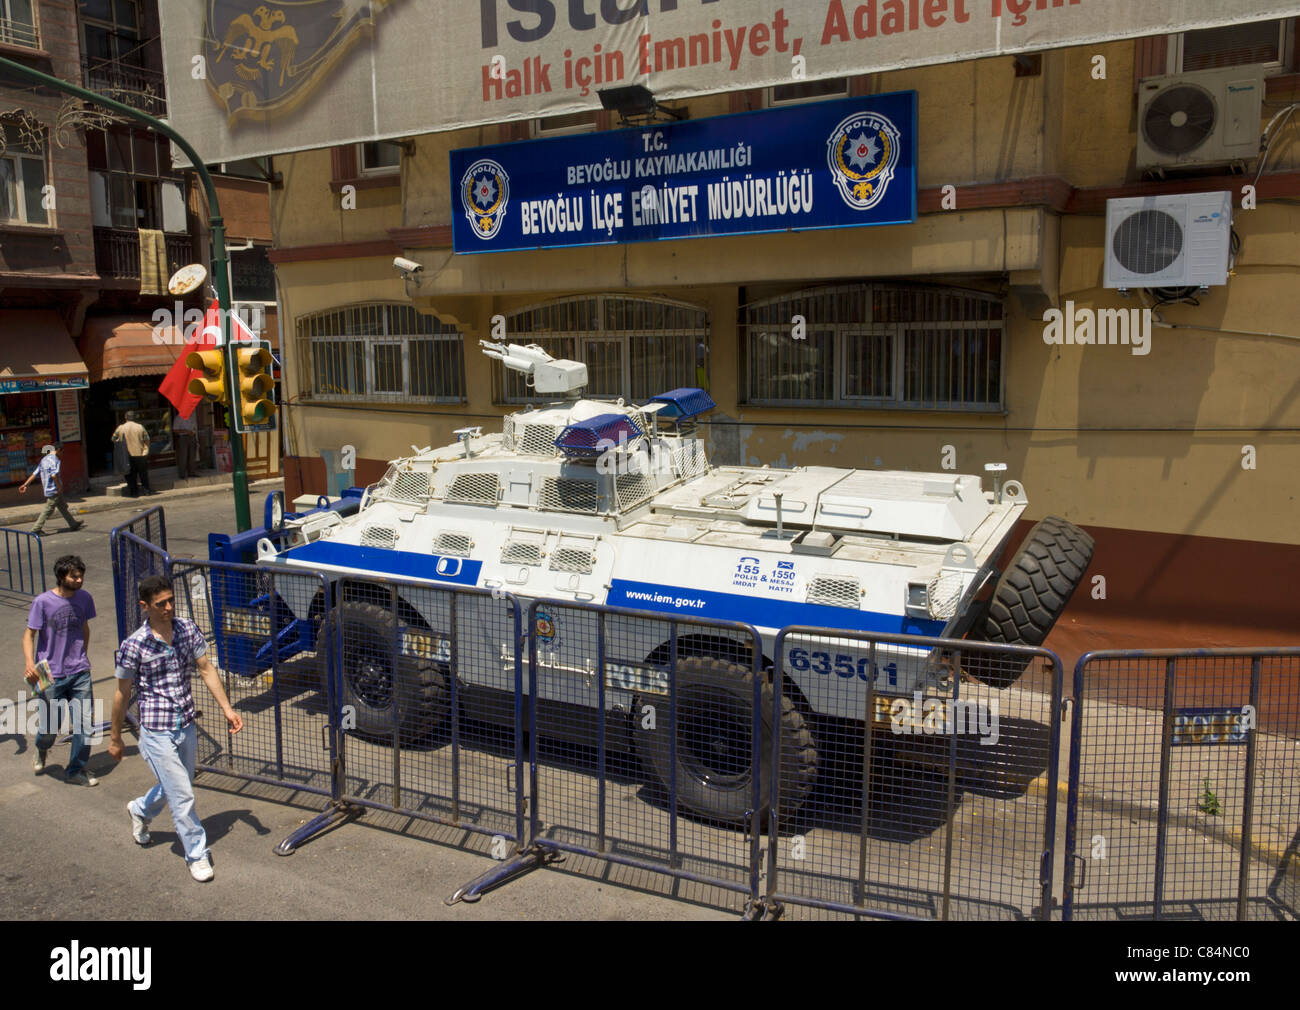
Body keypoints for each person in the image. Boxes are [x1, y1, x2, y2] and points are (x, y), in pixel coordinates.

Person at [110, 574, 243, 882]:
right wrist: (115, 737)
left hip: (185, 723)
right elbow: (122, 693)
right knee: (182, 795)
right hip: (156, 730)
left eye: (171, 601)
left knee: (180, 784)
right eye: (161, 604)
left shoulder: (186, 629)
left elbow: (206, 668)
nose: (169, 608)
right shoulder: (134, 645)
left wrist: (227, 708)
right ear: (145, 606)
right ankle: (196, 854)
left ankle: (141, 810)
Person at [23, 554, 98, 784]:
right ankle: (41, 748)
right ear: (61, 576)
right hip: (49, 674)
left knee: (85, 726)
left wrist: (82, 654)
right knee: (49, 728)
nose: (78, 580)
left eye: (80, 576)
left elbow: (85, 628)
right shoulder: (42, 602)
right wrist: (29, 664)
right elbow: (29, 635)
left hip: (79, 671)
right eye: (73, 576)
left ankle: (75, 769)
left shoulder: (85, 598)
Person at [18, 444, 84, 536]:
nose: (62, 453)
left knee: (62, 507)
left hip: (48, 489)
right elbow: (54, 475)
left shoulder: (43, 460)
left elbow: (34, 473)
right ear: (58, 450)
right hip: (54, 490)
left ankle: (73, 524)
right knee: (48, 510)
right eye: (62, 451)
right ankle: (36, 529)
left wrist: (25, 485)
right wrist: (59, 487)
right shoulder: (56, 460)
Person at [111, 410, 153, 496]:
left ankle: (134, 493)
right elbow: (147, 439)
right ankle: (146, 491)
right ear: (134, 418)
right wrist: (146, 449)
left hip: (127, 455)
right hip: (140, 454)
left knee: (130, 475)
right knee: (143, 474)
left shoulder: (120, 428)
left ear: (126, 417)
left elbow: (113, 439)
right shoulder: (140, 427)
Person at [172, 408, 198, 479]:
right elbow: (175, 430)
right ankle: (182, 474)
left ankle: (192, 472)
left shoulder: (191, 417)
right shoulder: (178, 418)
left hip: (192, 437)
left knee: (192, 456)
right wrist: (186, 431)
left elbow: (194, 427)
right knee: (183, 456)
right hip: (183, 437)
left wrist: (193, 432)